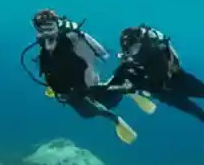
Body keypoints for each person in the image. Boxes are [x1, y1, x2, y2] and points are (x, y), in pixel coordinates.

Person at [106, 24, 204, 157]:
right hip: (162, 92)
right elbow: (127, 72)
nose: (133, 53)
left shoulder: (155, 53)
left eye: (134, 49)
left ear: (142, 43)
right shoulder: (133, 57)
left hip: (176, 79)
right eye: (129, 50)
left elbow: (156, 80)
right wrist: (111, 83)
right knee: (193, 111)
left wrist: (132, 86)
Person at [28, 9, 138, 144]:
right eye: (40, 29)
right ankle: (123, 88)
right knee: (89, 108)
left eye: (48, 28)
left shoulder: (69, 39)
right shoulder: (47, 44)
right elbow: (50, 67)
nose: (44, 34)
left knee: (93, 109)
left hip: (82, 87)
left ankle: (118, 108)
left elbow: (97, 56)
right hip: (73, 89)